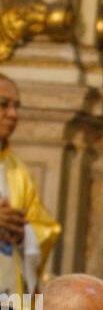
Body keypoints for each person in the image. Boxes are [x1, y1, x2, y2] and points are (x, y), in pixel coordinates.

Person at [0, 73, 61, 296]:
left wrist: (24, 233)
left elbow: (45, 227)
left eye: (16, 106)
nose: (13, 114)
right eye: (3, 104)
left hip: (7, 292)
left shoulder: (17, 170)